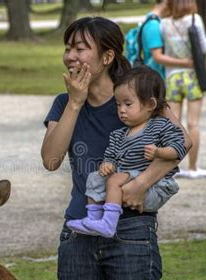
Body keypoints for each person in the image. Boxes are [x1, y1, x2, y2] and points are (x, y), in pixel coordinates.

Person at [41, 16, 191, 280]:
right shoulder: (64, 102)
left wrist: (140, 184)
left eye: (81, 48)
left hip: (132, 230)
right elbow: (51, 160)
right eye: (68, 47)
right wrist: (75, 103)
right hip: (79, 232)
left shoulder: (135, 100)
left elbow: (182, 144)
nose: (71, 55)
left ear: (107, 57)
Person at [66, 66, 187, 238]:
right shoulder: (119, 134)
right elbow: (111, 155)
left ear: (150, 104)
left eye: (128, 104)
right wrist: (108, 164)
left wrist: (160, 152)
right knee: (95, 177)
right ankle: (93, 219)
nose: (121, 110)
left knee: (116, 179)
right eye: (118, 104)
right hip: (128, 179)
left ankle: (108, 224)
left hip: (155, 187)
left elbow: (179, 148)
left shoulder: (161, 126)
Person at [161, 0, 206, 179]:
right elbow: (203, 47)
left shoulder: (164, 23)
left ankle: (172, 167)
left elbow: (165, 50)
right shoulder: (194, 19)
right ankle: (193, 167)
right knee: (193, 123)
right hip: (192, 76)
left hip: (173, 77)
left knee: (174, 124)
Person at [140, 0, 193, 78]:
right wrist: (187, 63)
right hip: (155, 78)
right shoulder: (153, 25)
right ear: (166, 2)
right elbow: (158, 57)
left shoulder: (154, 20)